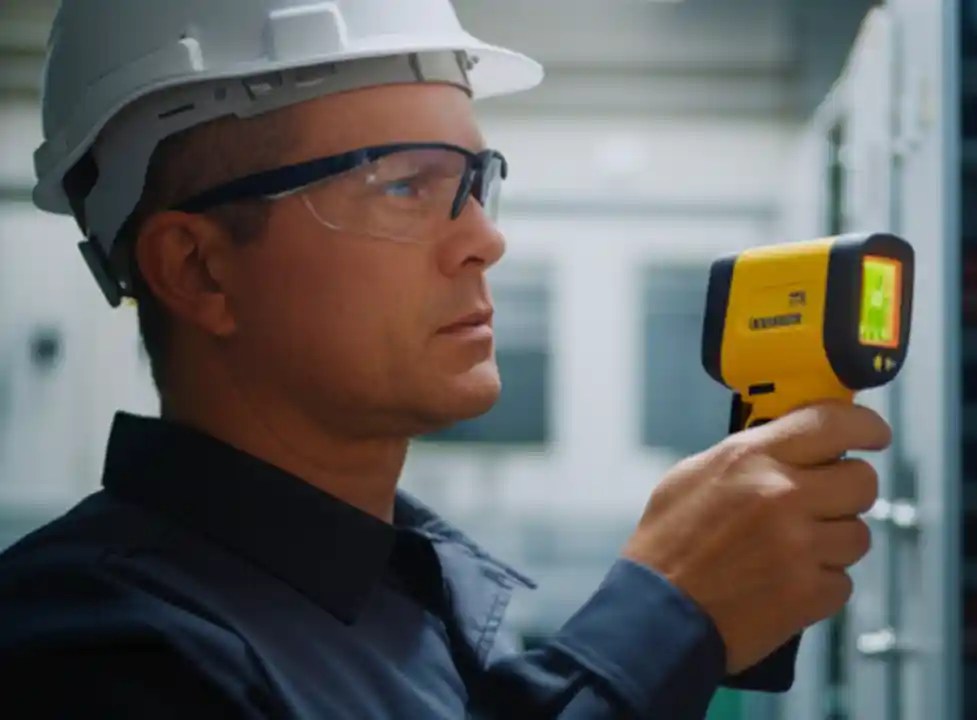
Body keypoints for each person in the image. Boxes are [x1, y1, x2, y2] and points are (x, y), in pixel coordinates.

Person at [0, 2, 890, 717]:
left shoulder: (424, 599)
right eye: (403, 184)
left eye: (473, 180)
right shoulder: (90, 652)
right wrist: (660, 622)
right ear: (199, 269)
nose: (485, 240)